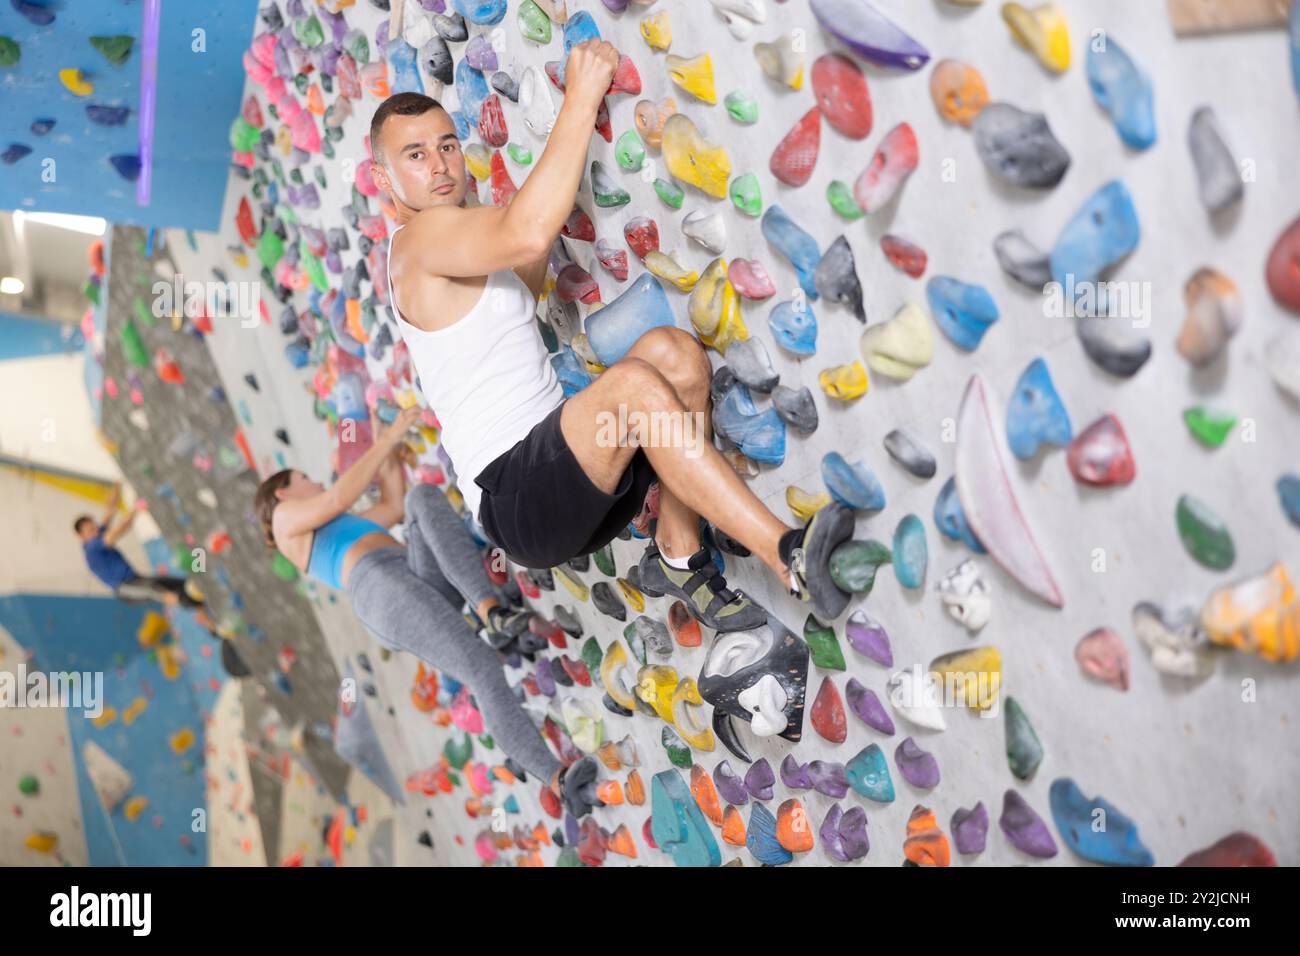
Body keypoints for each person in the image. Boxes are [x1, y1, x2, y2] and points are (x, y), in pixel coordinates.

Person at [369, 39, 851, 631]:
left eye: (446, 145)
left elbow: (530, 246)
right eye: (414, 155)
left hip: (574, 476)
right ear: (382, 176)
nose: (440, 164)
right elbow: (526, 233)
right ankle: (791, 557)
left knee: (674, 356)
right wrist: (582, 92)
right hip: (518, 499)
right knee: (632, 386)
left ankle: (678, 555)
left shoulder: (465, 243)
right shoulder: (416, 243)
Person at [255, 405, 596, 803]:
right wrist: (385, 441)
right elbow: (335, 496)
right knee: (481, 670)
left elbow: (394, 506)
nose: (312, 482)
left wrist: (391, 451)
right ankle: (557, 780)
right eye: (303, 479)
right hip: (383, 593)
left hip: (414, 575)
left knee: (420, 497)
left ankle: (491, 611)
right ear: (282, 492)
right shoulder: (283, 522)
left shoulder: (334, 526)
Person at [75, 483, 207, 613]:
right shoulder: (92, 548)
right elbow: (117, 532)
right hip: (125, 588)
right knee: (157, 591)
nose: (96, 530)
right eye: (91, 530)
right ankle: (205, 608)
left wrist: (118, 484)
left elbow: (109, 512)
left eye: (94, 526)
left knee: (176, 584)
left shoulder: (96, 535)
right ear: (81, 536)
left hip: (136, 578)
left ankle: (203, 602)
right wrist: (136, 509)